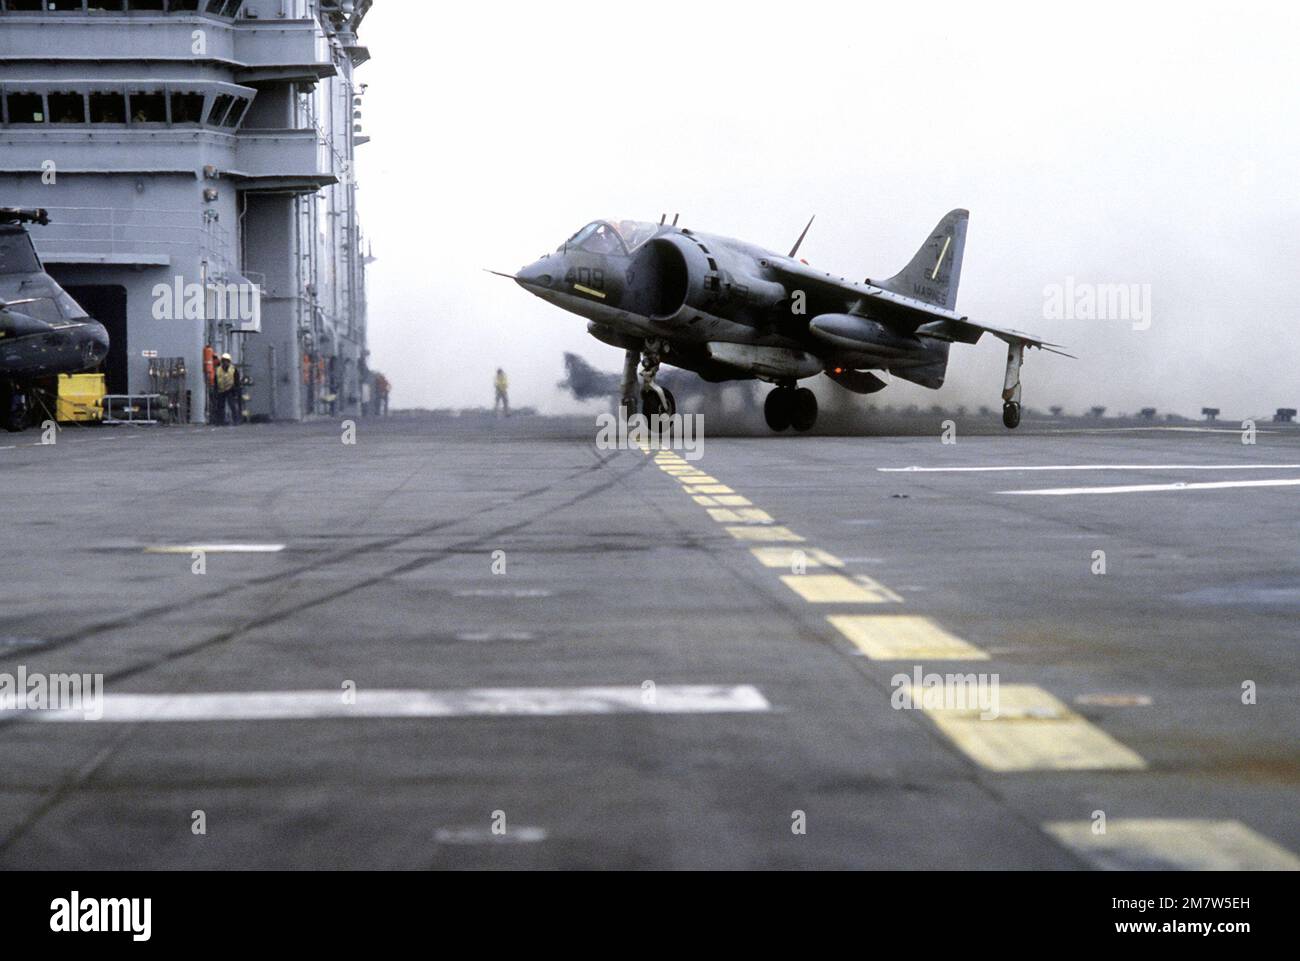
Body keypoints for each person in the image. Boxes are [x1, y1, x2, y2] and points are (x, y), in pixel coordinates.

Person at [213, 353, 242, 426]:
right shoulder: (218, 370)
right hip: (221, 390)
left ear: (229, 362)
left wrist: (236, 390)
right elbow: (216, 381)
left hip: (230, 389)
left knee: (232, 405)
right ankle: (220, 421)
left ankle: (236, 420)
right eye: (224, 361)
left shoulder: (233, 369)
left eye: (226, 361)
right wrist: (215, 390)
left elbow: (237, 381)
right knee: (220, 406)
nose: (225, 363)